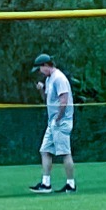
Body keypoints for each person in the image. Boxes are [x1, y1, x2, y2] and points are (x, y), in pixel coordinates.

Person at [29, 53, 75, 193]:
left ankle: (71, 185)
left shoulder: (59, 78)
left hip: (60, 122)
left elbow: (64, 100)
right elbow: (48, 99)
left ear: (46, 65)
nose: (39, 72)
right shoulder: (49, 80)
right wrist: (41, 90)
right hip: (52, 122)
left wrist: (58, 119)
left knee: (65, 153)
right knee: (45, 150)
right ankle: (46, 184)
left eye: (40, 69)